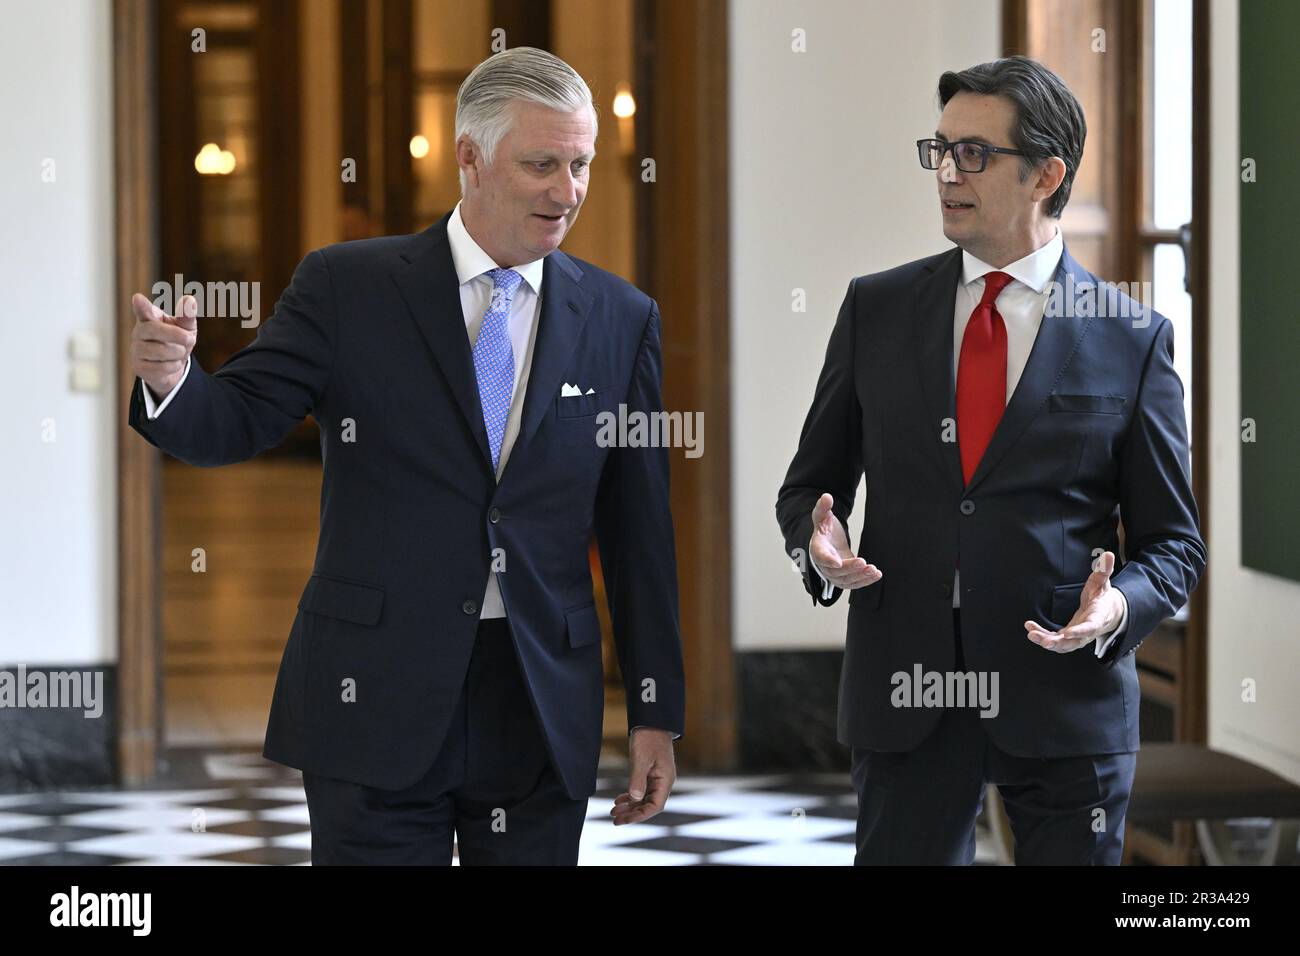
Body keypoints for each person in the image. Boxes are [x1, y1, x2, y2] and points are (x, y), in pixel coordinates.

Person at [128, 47, 684, 865]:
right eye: (541, 164)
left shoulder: (621, 318)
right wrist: (173, 378)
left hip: (537, 704)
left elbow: (639, 532)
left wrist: (654, 709)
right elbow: (238, 419)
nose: (567, 191)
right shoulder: (346, 289)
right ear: (469, 157)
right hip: (373, 692)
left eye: (580, 164)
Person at [775, 56, 1204, 865]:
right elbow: (811, 486)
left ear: (1047, 173)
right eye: (938, 150)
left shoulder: (1131, 338)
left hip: (1066, 696)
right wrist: (817, 544)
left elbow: (1176, 545)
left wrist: (1115, 611)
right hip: (906, 691)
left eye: (973, 153)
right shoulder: (877, 307)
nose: (946, 172)